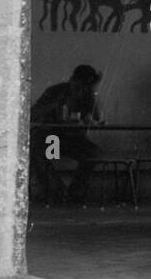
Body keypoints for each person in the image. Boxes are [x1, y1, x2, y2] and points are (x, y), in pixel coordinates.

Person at [30, 64, 104, 203]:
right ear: (72, 80)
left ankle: (75, 193)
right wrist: (54, 104)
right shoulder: (56, 92)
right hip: (52, 138)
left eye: (86, 86)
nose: (81, 89)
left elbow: (97, 118)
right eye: (80, 85)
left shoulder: (87, 95)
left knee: (94, 153)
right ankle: (57, 190)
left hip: (72, 139)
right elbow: (34, 114)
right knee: (38, 152)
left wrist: (91, 93)